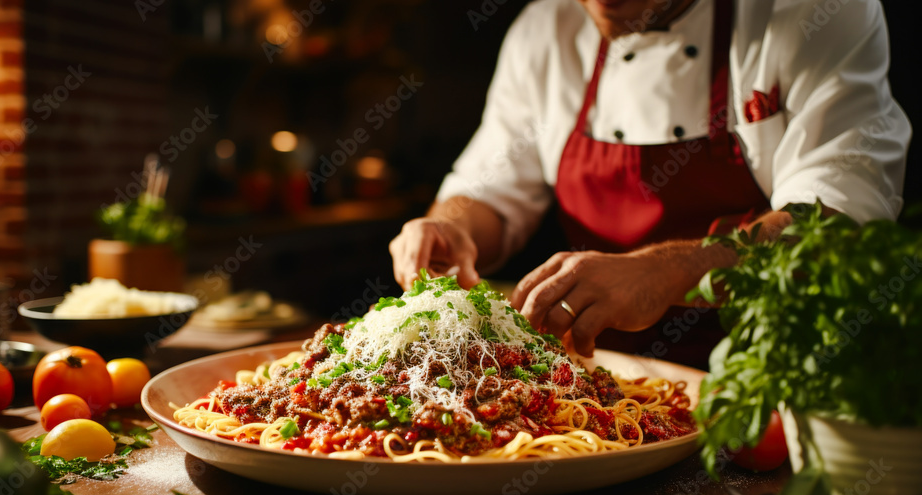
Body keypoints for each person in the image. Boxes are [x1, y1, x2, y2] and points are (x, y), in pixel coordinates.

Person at [389, 0, 910, 368]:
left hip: (770, 391)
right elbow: (488, 193)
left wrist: (667, 272)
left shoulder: (815, 13)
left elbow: (838, 230)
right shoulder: (546, 28)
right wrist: (447, 228)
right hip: (608, 383)